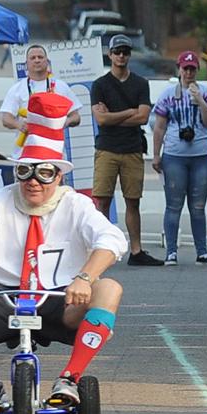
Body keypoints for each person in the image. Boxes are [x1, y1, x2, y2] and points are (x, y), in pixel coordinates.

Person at [0, 91, 128, 410]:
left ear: (59, 175)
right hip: (1, 297)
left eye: (44, 173)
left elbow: (112, 240)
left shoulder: (75, 204)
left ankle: (70, 378)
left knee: (109, 289)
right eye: (25, 171)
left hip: (60, 299)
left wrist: (85, 278)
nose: (33, 182)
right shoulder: (0, 199)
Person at [89, 34, 161, 266]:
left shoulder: (141, 83)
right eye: (117, 51)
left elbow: (143, 116)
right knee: (102, 202)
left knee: (133, 201)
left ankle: (136, 251)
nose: (121, 55)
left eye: (125, 52)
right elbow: (101, 120)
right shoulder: (100, 84)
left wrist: (114, 116)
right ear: (109, 54)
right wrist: (128, 112)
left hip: (132, 149)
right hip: (107, 148)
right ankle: (99, 249)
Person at [152, 51, 207, 266]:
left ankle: (202, 251)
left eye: (192, 69)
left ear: (197, 70)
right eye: (185, 68)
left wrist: (199, 100)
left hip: (202, 155)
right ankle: (171, 251)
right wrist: (156, 154)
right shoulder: (167, 94)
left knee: (198, 206)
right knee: (173, 205)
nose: (189, 73)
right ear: (179, 69)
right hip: (175, 155)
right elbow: (159, 126)